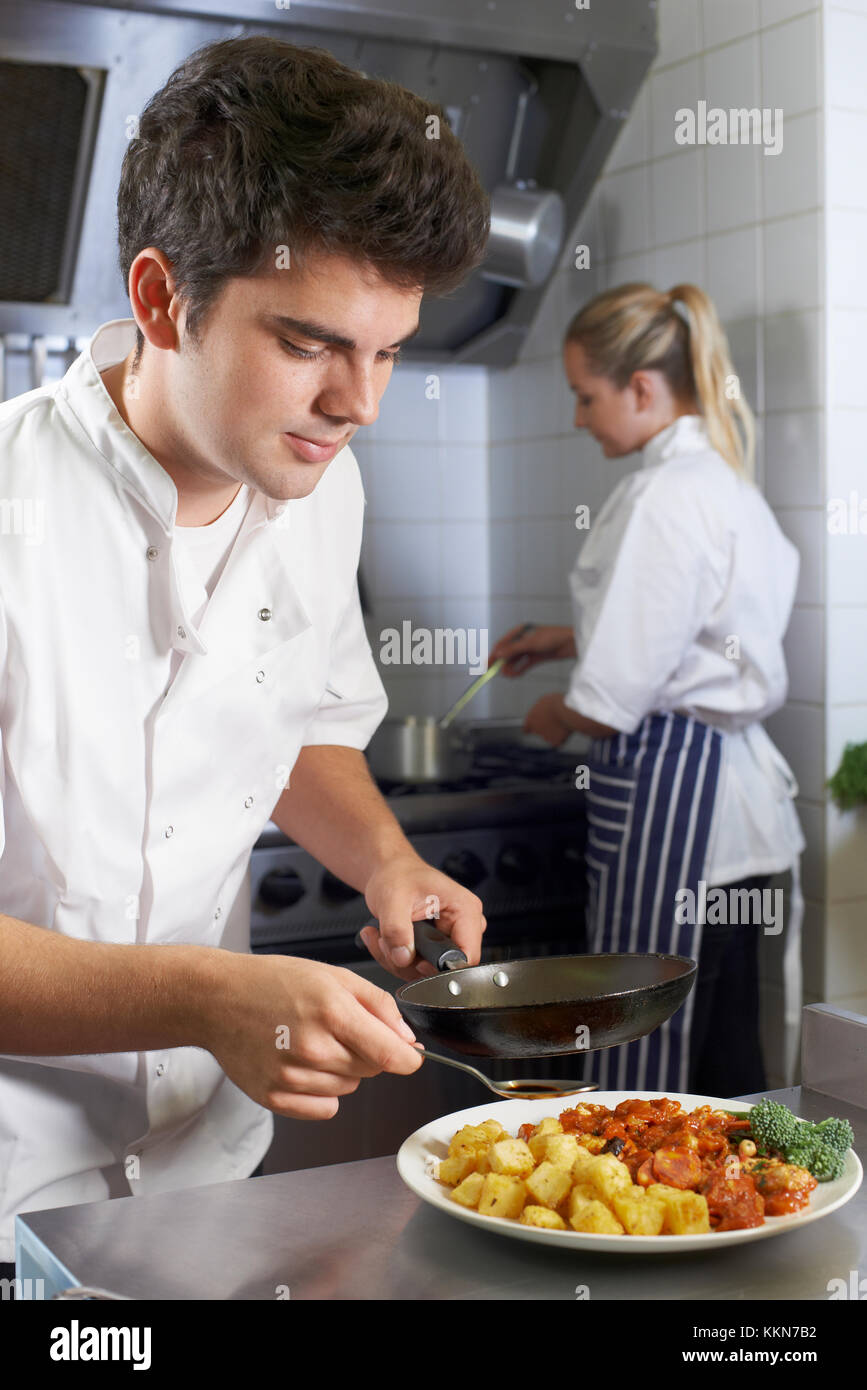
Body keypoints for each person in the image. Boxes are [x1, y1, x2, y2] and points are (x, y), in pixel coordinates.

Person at [0, 35, 490, 1273]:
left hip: (210, 1174)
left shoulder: (325, 486)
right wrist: (211, 996)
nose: (359, 402)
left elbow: (298, 725)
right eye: (314, 342)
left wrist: (385, 860)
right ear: (162, 298)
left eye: (389, 350)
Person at [490, 282, 805, 1097]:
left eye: (583, 396)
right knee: (725, 1055)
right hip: (735, 822)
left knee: (660, 1058)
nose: (578, 417)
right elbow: (693, 639)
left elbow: (608, 703)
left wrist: (554, 713)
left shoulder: (663, 499)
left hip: (688, 818)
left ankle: (648, 1217)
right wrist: (566, 641)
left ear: (639, 388)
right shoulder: (721, 483)